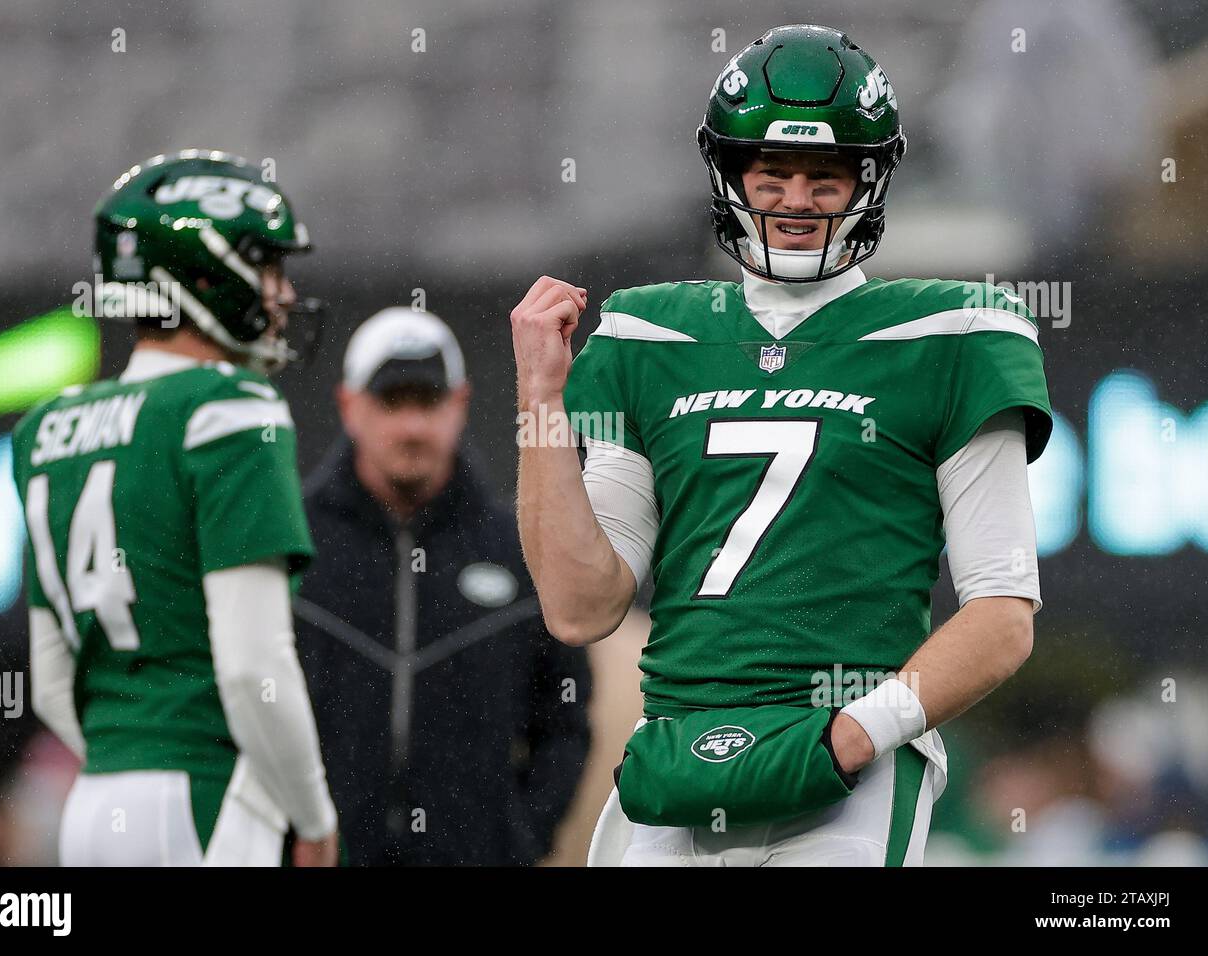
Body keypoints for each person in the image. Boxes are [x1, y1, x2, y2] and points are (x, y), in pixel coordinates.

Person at [511, 24, 1052, 866]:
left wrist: (856, 732)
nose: (795, 199)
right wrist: (541, 400)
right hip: (676, 756)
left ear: (869, 180)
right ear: (731, 175)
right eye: (771, 173)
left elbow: (1003, 614)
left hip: (848, 771)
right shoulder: (650, 334)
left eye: (825, 176)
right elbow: (583, 607)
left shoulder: (955, 333)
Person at [13, 150, 339, 866]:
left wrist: (129, 760)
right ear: (203, 272)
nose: (283, 293)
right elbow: (252, 665)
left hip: (93, 802)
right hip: (206, 795)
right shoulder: (229, 407)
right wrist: (311, 815)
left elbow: (51, 679)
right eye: (267, 265)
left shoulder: (46, 428)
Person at [295, 307, 592, 865]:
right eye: (391, 402)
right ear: (348, 407)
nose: (411, 426)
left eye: (427, 402)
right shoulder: (295, 546)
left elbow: (566, 721)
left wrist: (519, 843)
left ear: (460, 404)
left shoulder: (519, 546)